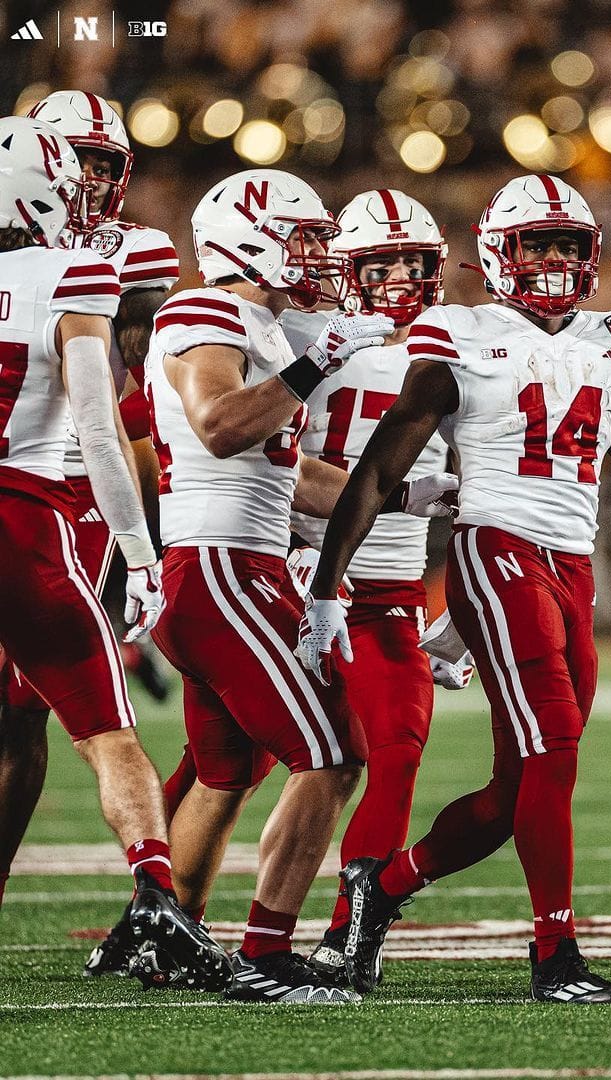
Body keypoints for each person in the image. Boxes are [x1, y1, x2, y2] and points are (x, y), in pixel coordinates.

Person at [297, 173, 611, 1004]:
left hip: (571, 568)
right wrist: (329, 587)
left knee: (517, 790)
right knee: (555, 744)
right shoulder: (458, 333)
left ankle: (383, 887)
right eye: (535, 244)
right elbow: (376, 472)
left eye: (565, 244)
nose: (552, 260)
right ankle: (556, 955)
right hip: (495, 550)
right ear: (494, 254)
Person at [136, 168, 455, 1004]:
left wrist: (406, 496)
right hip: (221, 567)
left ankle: (164, 937)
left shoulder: (265, 330)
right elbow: (219, 426)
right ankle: (266, 956)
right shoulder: (208, 311)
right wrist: (320, 363)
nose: (318, 255)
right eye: (304, 237)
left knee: (225, 770)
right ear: (246, 241)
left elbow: (293, 476)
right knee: (334, 751)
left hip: (234, 568)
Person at [0, 115, 230, 991]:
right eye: (73, 168)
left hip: (69, 503)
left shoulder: (126, 254)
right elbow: (100, 419)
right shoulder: (73, 270)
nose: (88, 184)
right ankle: (157, 891)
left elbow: (130, 399)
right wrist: (142, 549)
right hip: (36, 510)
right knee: (98, 725)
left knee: (30, 714)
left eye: (100, 165)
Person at [282, 188, 473, 985]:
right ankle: (163, 905)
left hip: (392, 588)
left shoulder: (464, 345)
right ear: (344, 269)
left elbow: (487, 490)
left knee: (394, 750)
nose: (400, 278)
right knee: (234, 758)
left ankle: (349, 933)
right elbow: (269, 465)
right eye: (381, 263)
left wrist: (461, 614)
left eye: (413, 262)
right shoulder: (299, 336)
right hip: (293, 569)